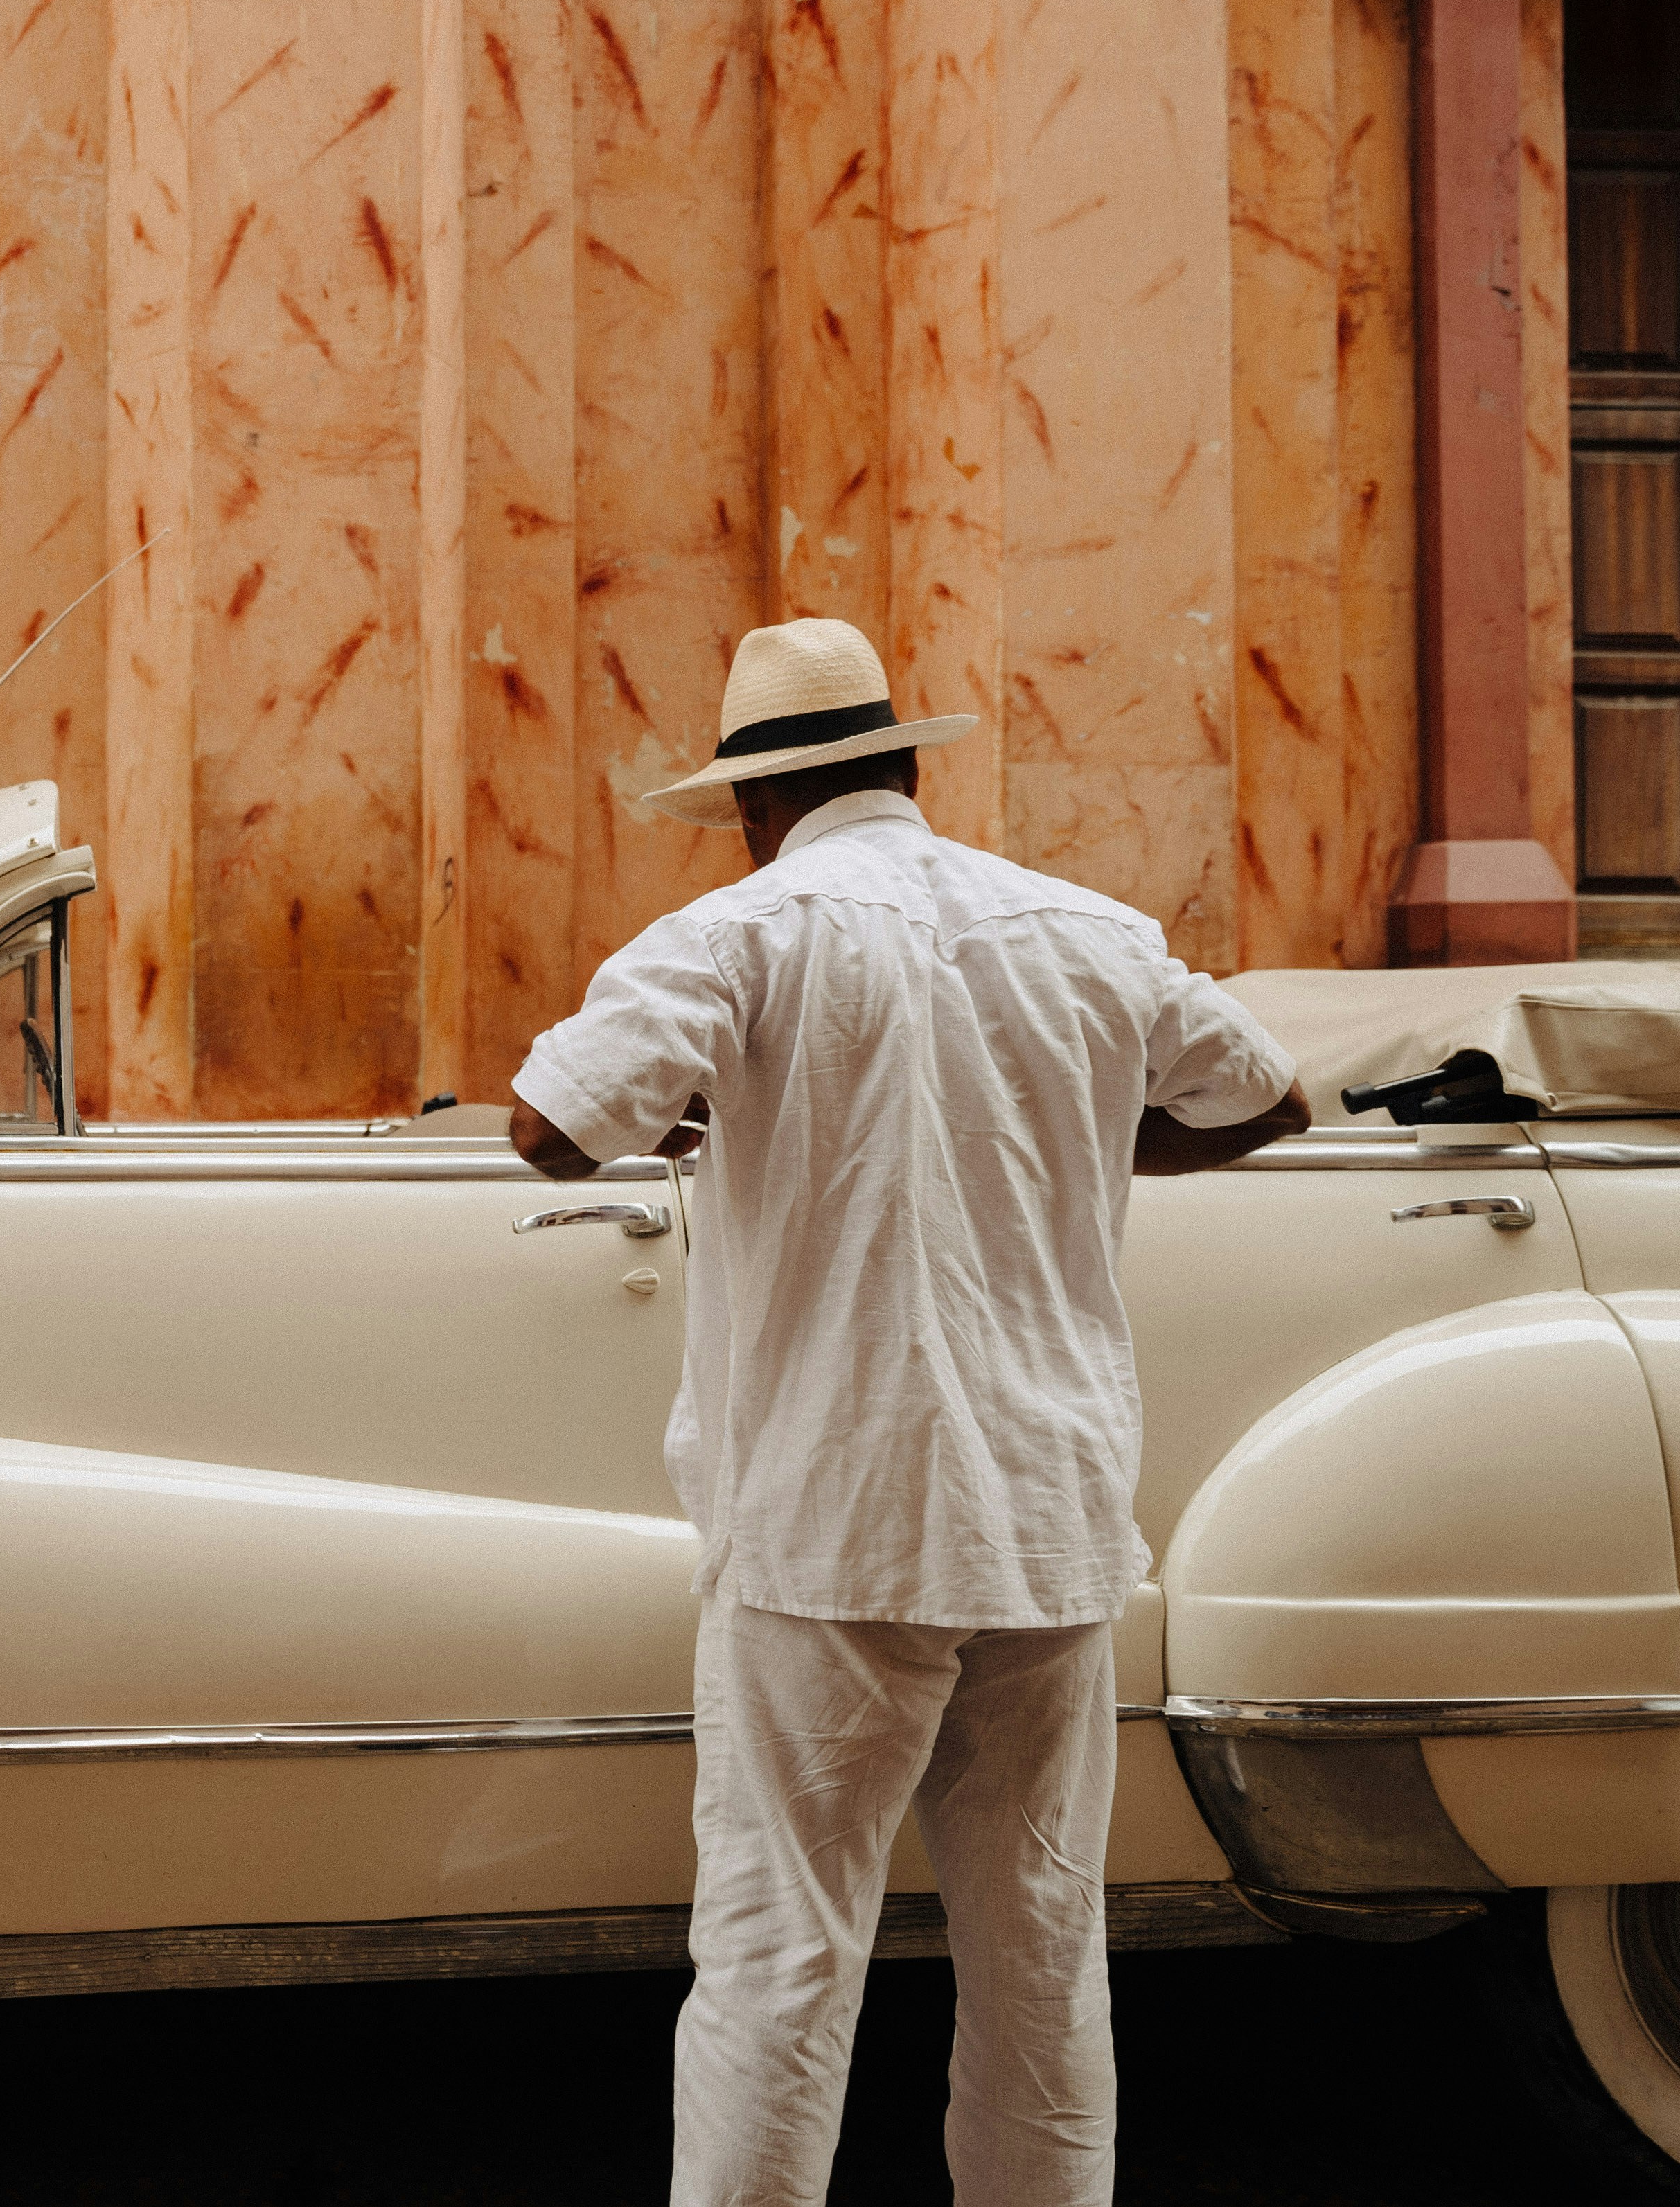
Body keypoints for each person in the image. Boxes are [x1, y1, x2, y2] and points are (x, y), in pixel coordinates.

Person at [506, 617, 1306, 2207]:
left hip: (829, 1521)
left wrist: (708, 1114)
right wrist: (1080, 1148)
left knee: (778, 1952)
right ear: (897, 762)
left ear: (749, 799)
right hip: (1049, 1516)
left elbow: (545, 1128)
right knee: (1038, 1938)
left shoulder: (733, 937)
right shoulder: (1084, 928)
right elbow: (1266, 1095)